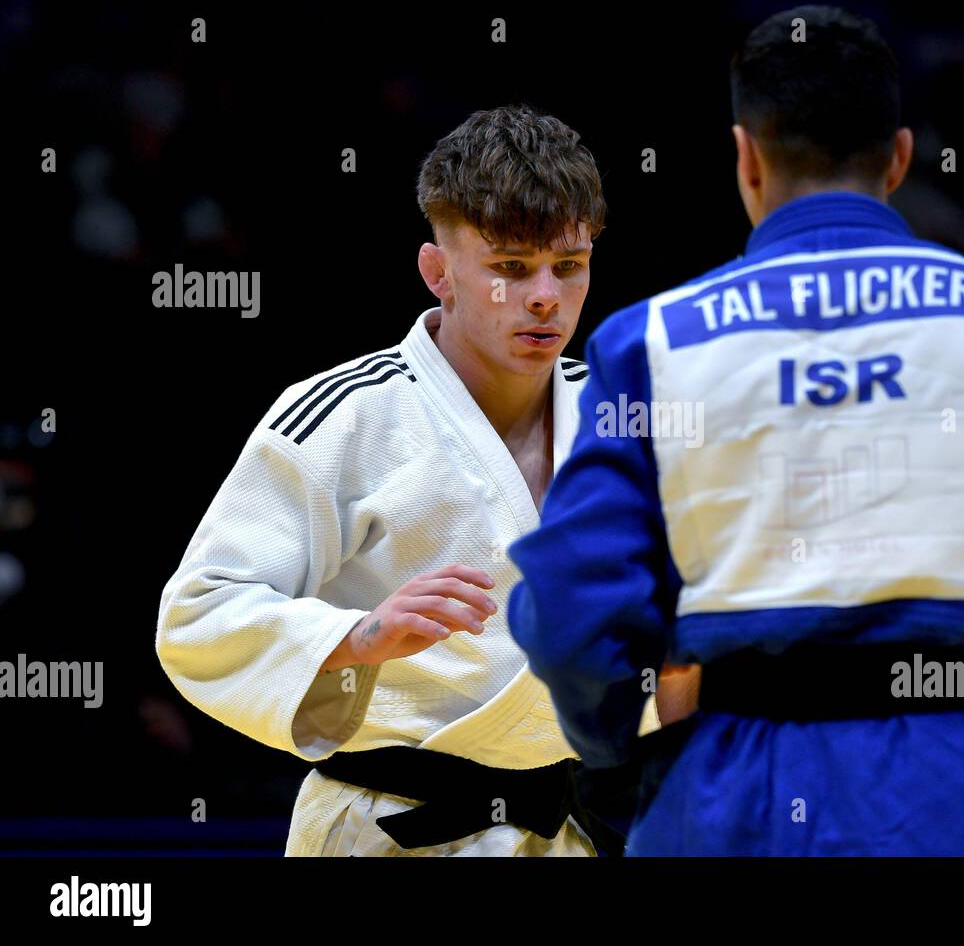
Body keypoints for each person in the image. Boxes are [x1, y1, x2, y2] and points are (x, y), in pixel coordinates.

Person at [506, 7, 964, 855]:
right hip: (957, 788)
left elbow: (570, 606)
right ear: (900, 158)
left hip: (722, 794)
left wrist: (616, 736)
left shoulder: (647, 342)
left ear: (745, 159)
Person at [156, 104, 669, 857]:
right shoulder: (345, 416)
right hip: (381, 826)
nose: (543, 298)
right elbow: (196, 616)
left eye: (569, 266)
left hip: (557, 830)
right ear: (439, 273)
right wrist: (356, 637)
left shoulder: (625, 420)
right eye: (508, 268)